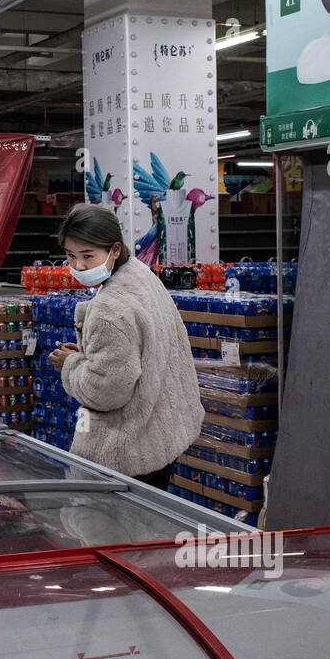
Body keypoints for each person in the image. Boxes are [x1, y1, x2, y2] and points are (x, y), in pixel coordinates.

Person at [47, 204, 203, 488]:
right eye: (70, 255)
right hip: (160, 436)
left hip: (126, 451)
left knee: (107, 517)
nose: (78, 266)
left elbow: (106, 392)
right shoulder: (140, 275)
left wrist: (70, 365)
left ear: (115, 249)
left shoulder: (109, 308)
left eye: (87, 256)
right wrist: (90, 355)